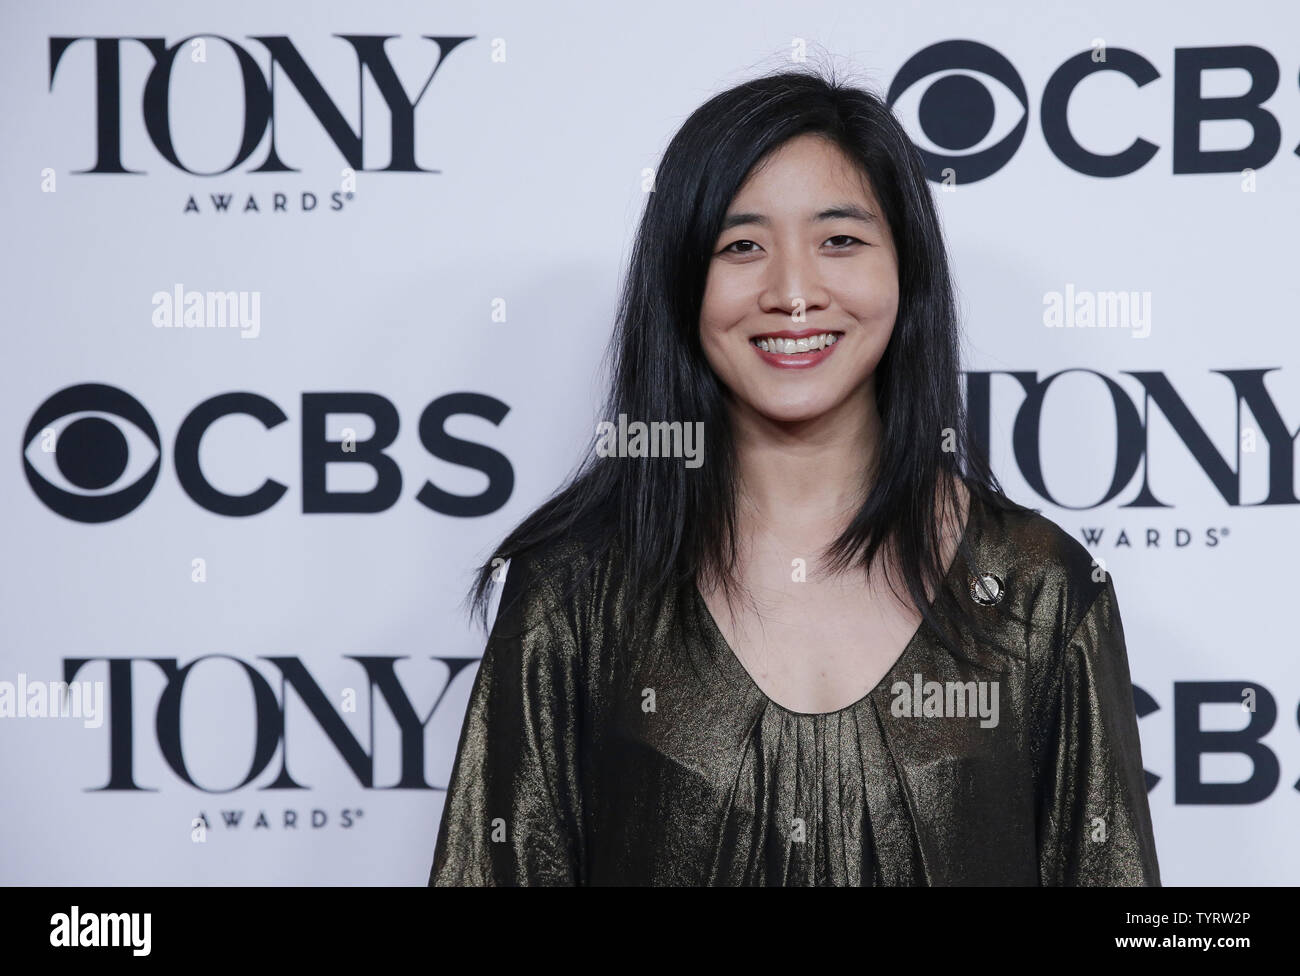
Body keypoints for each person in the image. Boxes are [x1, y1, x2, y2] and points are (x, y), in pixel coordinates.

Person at [428, 66, 1160, 886]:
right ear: (682, 285)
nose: (793, 293)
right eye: (741, 246)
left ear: (905, 270)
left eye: (839, 240)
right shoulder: (572, 591)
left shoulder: (1037, 589)